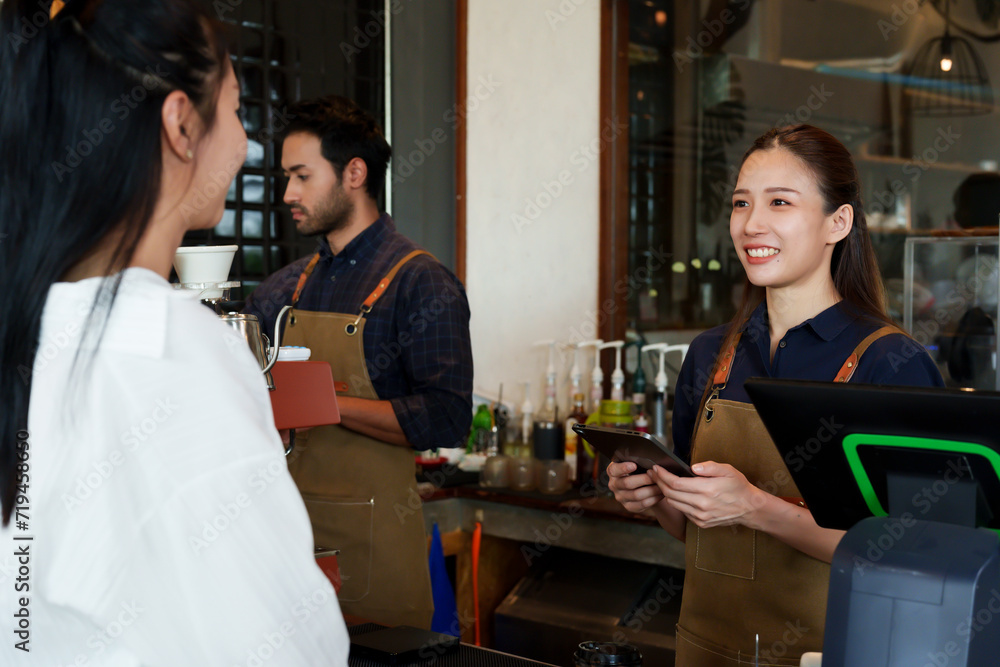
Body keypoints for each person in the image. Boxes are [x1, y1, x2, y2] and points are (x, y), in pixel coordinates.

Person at [0, 1, 348, 664]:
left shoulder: (32, 323)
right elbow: (285, 642)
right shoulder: (176, 346)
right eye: (239, 109)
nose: (248, 144)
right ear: (181, 125)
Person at [609, 124, 943, 666]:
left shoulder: (892, 363)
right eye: (741, 203)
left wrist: (756, 507)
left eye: (779, 202)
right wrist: (658, 502)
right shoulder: (710, 355)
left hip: (827, 655)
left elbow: (910, 553)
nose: (751, 224)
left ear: (839, 222)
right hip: (703, 650)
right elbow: (695, 531)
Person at [243, 95, 473, 628]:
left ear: (354, 172)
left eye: (301, 176)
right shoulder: (286, 287)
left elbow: (446, 417)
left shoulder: (420, 282)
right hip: (290, 546)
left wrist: (325, 403)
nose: (287, 194)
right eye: (286, 177)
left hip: (375, 559)